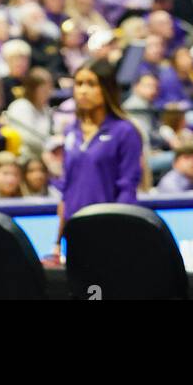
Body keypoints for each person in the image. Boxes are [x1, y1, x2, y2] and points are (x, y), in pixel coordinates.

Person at [54, 61, 144, 256]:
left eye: (91, 84)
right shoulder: (71, 131)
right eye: (78, 84)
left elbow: (127, 187)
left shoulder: (125, 131)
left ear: (107, 88)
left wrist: (118, 230)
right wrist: (58, 239)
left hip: (108, 231)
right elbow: (67, 188)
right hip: (74, 231)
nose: (83, 91)